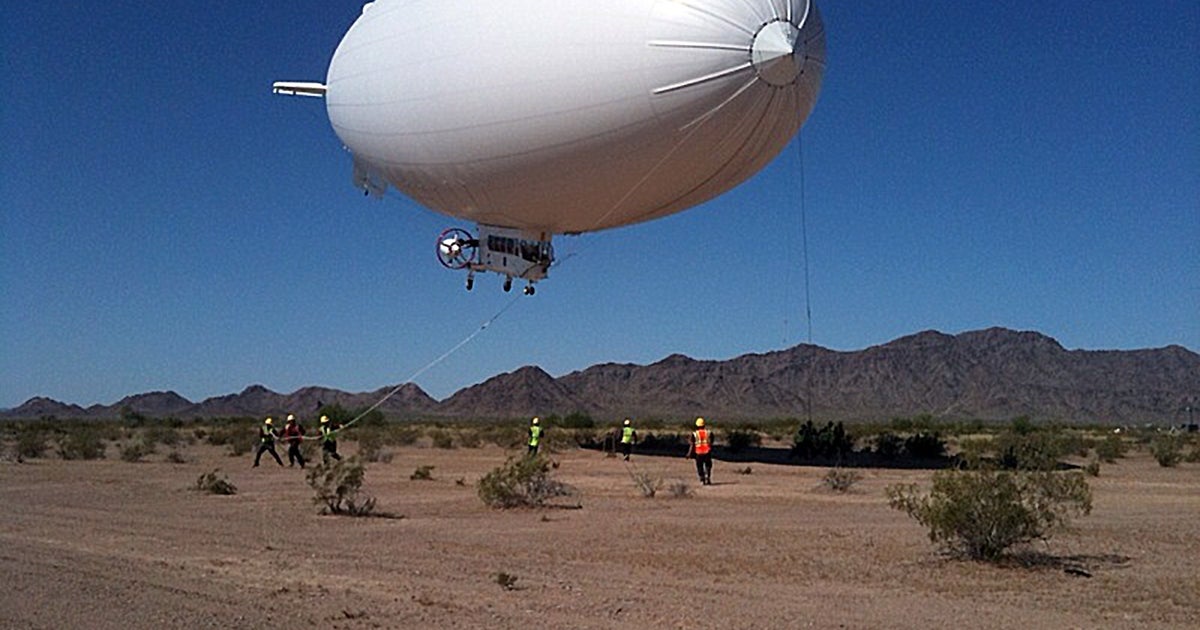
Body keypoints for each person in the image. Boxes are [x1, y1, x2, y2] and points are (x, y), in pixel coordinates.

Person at [687, 417, 712, 485]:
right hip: (707, 452)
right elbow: (711, 442)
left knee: (699, 466)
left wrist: (689, 454)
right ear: (704, 425)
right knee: (708, 465)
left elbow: (692, 445)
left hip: (698, 453)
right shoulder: (709, 433)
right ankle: (707, 477)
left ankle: (702, 479)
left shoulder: (694, 434)